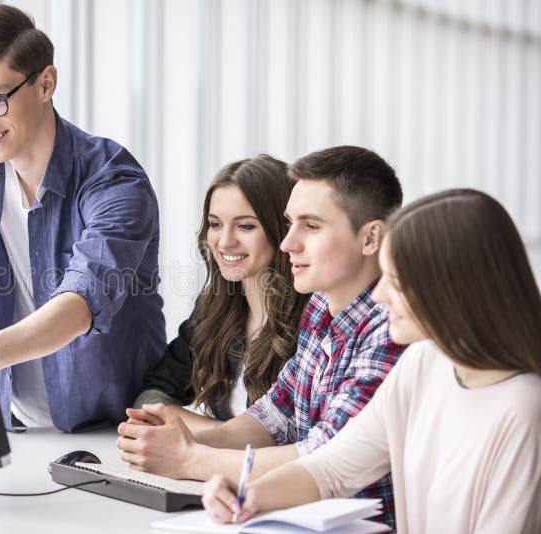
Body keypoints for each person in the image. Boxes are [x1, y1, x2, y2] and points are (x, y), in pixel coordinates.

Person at [201, 189, 541, 533]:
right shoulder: (422, 363)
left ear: (452, 287)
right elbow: (333, 467)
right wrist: (249, 495)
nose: (379, 295)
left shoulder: (523, 408)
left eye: (396, 281)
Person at [117, 146, 406, 528]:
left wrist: (191, 458)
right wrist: (181, 438)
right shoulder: (323, 306)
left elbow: (326, 457)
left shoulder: (393, 328)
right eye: (290, 224)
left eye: (312, 226)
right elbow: (277, 413)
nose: (289, 244)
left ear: (371, 239)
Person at [0, 4, 165, 433]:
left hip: (112, 431)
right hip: (14, 421)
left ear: (46, 83)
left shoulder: (115, 182)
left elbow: (81, 304)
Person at [134, 155, 310, 432]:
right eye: (215, 224)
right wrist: (219, 437)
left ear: (282, 229)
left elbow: (302, 439)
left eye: (246, 226)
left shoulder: (315, 321)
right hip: (215, 467)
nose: (225, 241)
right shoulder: (214, 309)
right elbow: (152, 397)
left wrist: (213, 441)